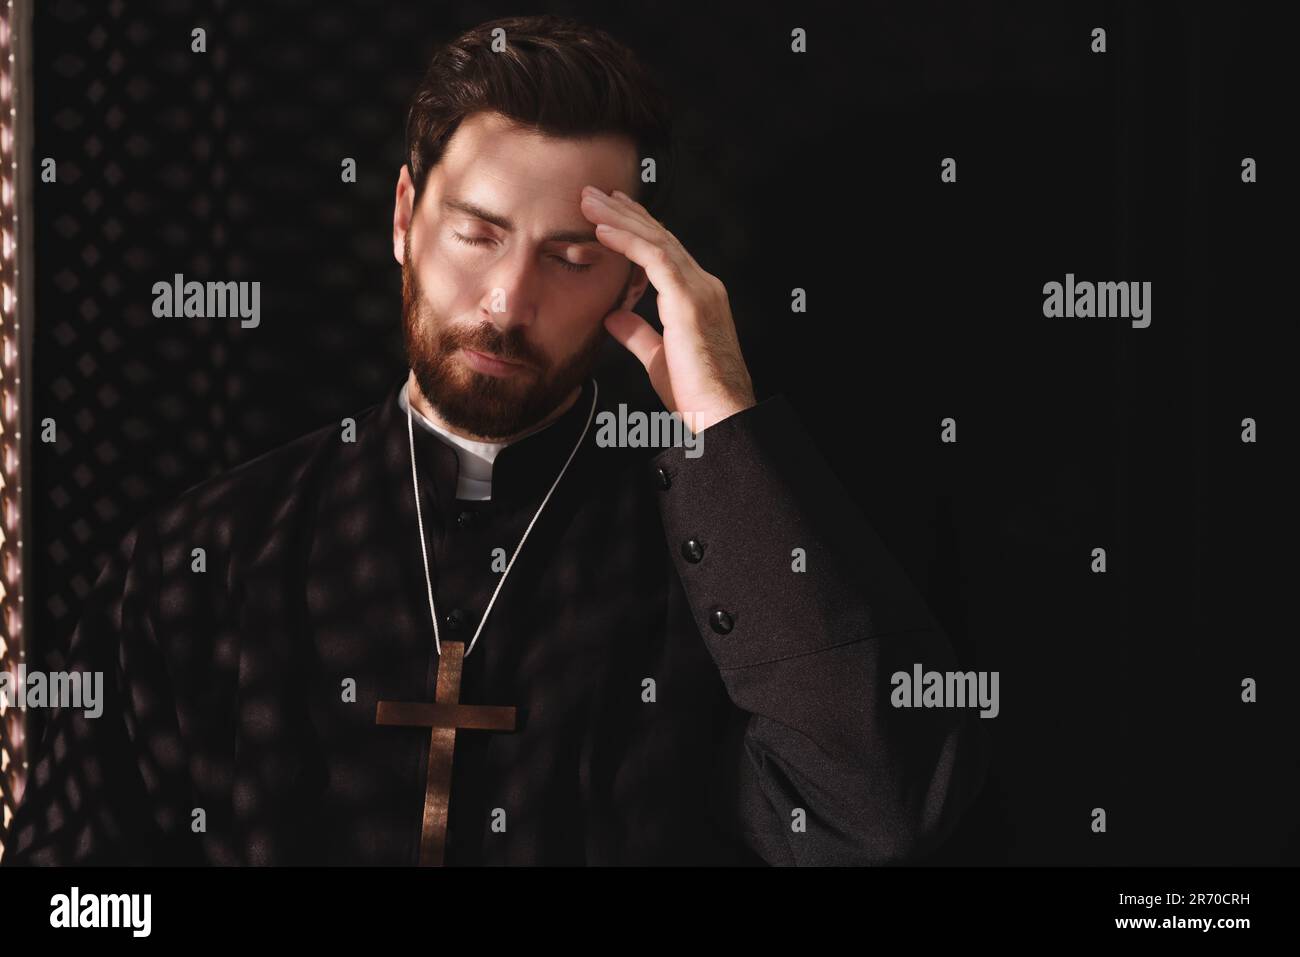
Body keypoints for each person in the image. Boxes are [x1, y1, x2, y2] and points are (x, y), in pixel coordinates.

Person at [3, 14, 987, 866]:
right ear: (402, 217)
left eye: (569, 257)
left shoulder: (719, 555)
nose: (506, 304)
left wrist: (724, 424)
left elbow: (874, 818)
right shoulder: (201, 557)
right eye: (476, 234)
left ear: (633, 285)